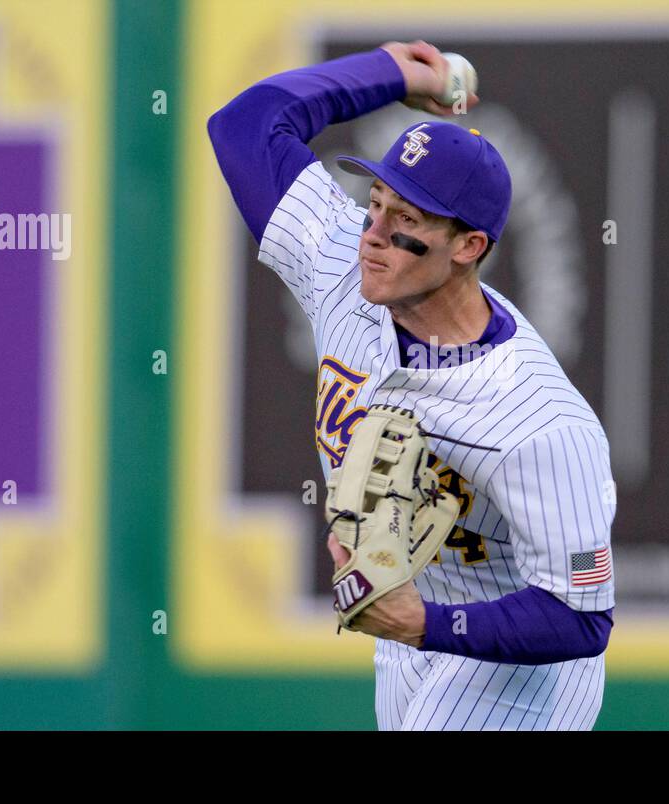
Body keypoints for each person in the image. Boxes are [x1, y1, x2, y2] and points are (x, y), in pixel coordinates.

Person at [208, 40, 616, 730]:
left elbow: (581, 617)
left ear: (469, 247)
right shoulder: (345, 263)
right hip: (408, 626)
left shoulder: (540, 421)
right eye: (375, 204)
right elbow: (245, 124)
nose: (375, 234)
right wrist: (391, 73)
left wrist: (427, 621)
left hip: (519, 664)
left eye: (407, 222)